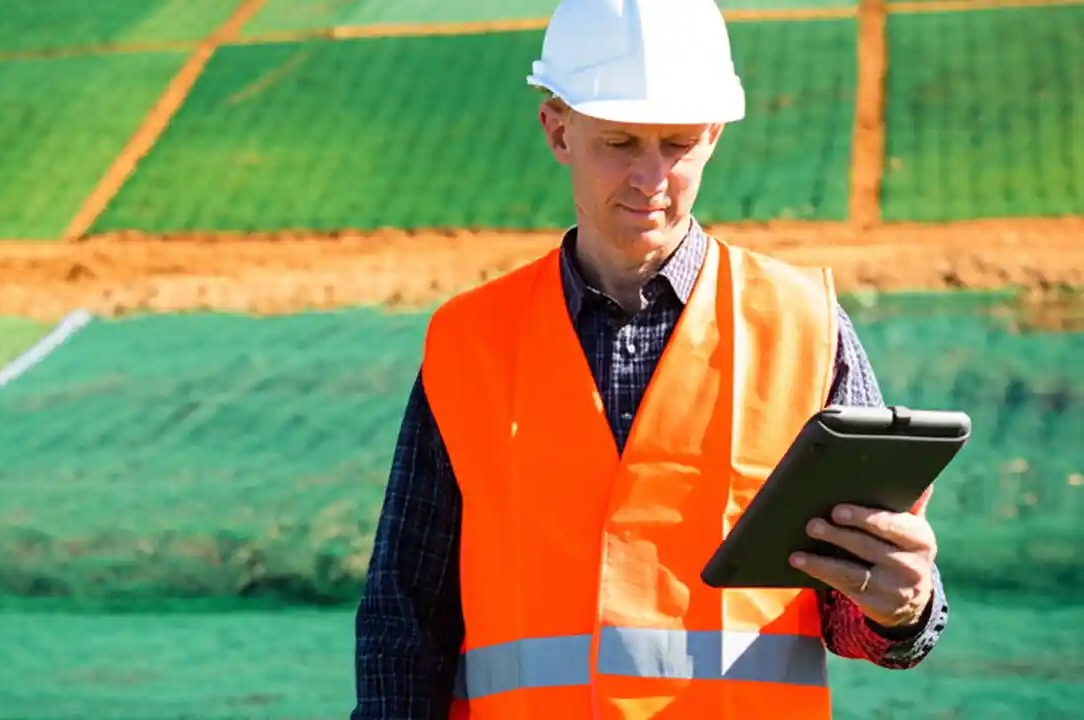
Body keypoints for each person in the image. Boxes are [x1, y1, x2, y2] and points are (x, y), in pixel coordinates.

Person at [352, 0, 948, 717]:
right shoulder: (469, 341)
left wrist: (904, 607)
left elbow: (858, 613)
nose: (651, 177)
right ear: (558, 129)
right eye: (620, 142)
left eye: (678, 143)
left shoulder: (803, 327)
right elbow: (405, 617)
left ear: (714, 136)